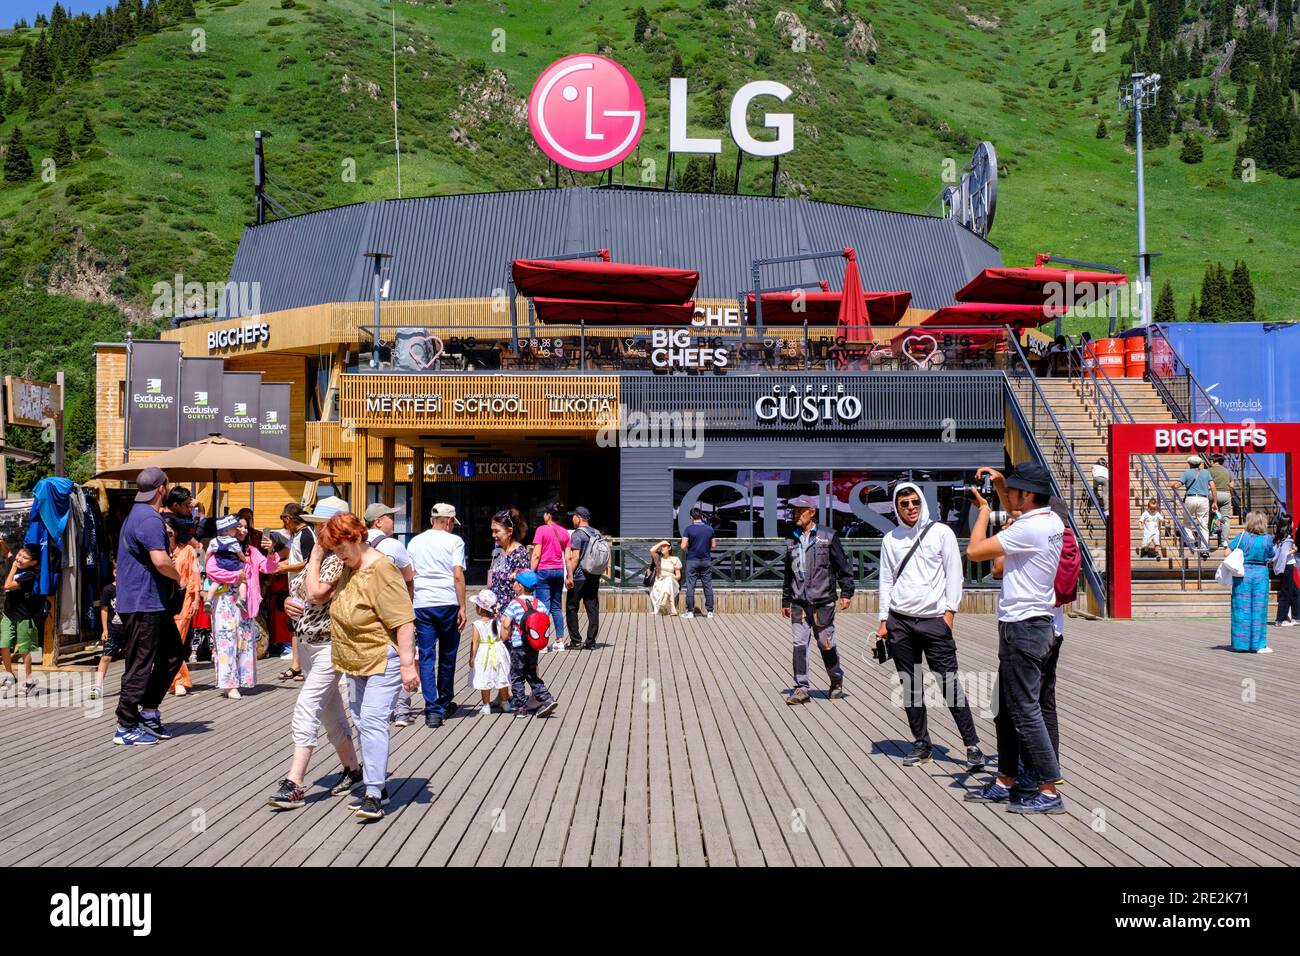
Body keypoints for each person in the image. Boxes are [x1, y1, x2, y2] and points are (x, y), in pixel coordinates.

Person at [964, 463, 1065, 814]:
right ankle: (1007, 779)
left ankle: (1049, 789)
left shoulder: (1029, 528)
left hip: (1022, 627)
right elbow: (1018, 511)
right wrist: (1004, 482)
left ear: (1029, 495)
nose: (1013, 496)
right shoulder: (1051, 520)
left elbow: (975, 552)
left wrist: (983, 511)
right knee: (1007, 710)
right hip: (1039, 625)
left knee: (1023, 710)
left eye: (1017, 491)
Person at [266, 500, 365, 811]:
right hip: (309, 640)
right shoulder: (321, 555)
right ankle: (353, 769)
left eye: (320, 525)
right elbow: (301, 596)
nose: (316, 530)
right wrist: (288, 604)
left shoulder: (340, 558)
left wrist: (317, 555)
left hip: (330, 643)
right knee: (329, 710)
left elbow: (316, 593)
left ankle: (294, 781)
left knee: (307, 707)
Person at [877, 482, 984, 770]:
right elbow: (885, 580)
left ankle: (972, 744)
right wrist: (883, 619)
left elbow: (954, 575)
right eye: (904, 504)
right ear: (897, 508)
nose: (910, 507)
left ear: (922, 502)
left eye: (914, 502)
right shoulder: (891, 539)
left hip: (934, 621)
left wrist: (949, 614)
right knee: (910, 686)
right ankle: (921, 743)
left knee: (948, 684)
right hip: (900, 621)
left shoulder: (941, 533)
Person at [318, 512, 418, 821]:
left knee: (373, 721)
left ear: (357, 538)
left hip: (380, 657)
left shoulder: (381, 569)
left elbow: (404, 620)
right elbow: (320, 595)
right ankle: (379, 786)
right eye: (333, 550)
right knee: (362, 720)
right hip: (355, 658)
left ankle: (374, 791)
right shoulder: (352, 565)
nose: (338, 555)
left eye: (340, 549)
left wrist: (407, 665)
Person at [112, 466, 185, 745]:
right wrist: (179, 579)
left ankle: (149, 711)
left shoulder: (138, 515)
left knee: (171, 655)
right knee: (140, 663)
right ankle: (125, 724)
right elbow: (160, 561)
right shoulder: (149, 519)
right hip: (143, 602)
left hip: (148, 601)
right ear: (162, 489)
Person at [780, 495, 853, 705]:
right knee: (799, 644)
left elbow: (843, 567)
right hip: (799, 602)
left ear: (811, 512)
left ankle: (836, 679)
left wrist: (847, 592)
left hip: (823, 602)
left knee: (826, 643)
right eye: (793, 511)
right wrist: (786, 600)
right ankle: (801, 687)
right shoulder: (791, 538)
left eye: (799, 511)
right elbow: (788, 573)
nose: (795, 515)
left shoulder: (828, 536)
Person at [406, 502, 467, 729]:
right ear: (449, 521)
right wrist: (462, 606)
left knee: (427, 657)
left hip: (422, 604)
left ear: (432, 519)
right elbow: (458, 575)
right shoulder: (455, 541)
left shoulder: (415, 542)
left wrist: (410, 606)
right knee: (448, 655)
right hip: (448, 602)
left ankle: (432, 711)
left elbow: (410, 576)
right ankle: (444, 701)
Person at [206, 515, 278, 699]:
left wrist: (271, 552)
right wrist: (236, 577)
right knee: (225, 641)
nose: (242, 530)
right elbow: (211, 570)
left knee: (244, 641)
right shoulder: (219, 547)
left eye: (245, 527)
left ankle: (242, 680)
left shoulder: (250, 551)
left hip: (245, 602)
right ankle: (229, 685)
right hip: (223, 601)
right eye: (239, 527)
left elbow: (268, 568)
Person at [501, 570, 558, 718]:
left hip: (518, 646)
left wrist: (502, 636)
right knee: (531, 674)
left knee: (517, 675)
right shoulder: (538, 603)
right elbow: (545, 618)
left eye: (516, 582)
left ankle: (520, 707)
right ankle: (547, 698)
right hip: (533, 646)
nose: (513, 584)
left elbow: (506, 623)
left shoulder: (514, 604)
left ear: (521, 586)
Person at [270, 503, 316, 673]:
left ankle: (302, 666)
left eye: (283, 520)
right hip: (296, 587)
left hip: (303, 588)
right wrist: (281, 564)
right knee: (295, 627)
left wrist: (284, 568)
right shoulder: (299, 534)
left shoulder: (306, 535)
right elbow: (296, 558)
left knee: (300, 626)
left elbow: (307, 563)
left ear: (288, 518)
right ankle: (296, 665)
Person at [1225, 512, 1276, 654]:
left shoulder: (1241, 537)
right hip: (1260, 574)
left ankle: (1241, 643)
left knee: (1241, 608)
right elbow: (1272, 555)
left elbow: (1227, 552)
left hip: (1243, 574)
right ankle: (1259, 645)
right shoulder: (1267, 539)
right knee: (1259, 609)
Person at [2, 544, 46, 698]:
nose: (19, 559)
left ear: (33, 562)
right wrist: (1, 542)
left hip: (23, 616)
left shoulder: (30, 575)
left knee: (24, 650)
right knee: (3, 644)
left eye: (25, 558)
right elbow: (7, 553)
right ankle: (9, 674)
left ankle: (29, 680)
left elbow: (7, 586)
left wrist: (13, 567)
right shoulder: (16, 559)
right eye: (19, 555)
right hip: (8, 613)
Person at [168, 516, 202, 697]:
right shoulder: (160, 550)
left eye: (169, 530)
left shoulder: (188, 550)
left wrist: (196, 598)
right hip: (162, 600)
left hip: (184, 599)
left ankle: (179, 680)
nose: (166, 533)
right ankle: (171, 679)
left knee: (177, 641)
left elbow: (195, 574)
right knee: (165, 643)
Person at [529, 502, 570, 651]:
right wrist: (569, 575)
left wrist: (530, 572)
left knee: (543, 607)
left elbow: (536, 554)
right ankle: (559, 641)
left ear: (548, 515)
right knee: (556, 607)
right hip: (559, 571)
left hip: (543, 571)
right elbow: (568, 557)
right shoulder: (565, 532)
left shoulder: (541, 530)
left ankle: (543, 642)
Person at [468, 589, 511, 716]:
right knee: (501, 676)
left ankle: (486, 705)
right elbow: (503, 637)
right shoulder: (498, 621)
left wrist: (472, 657)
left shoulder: (477, 624)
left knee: (484, 677)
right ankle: (505, 702)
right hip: (498, 650)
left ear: (480, 609)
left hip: (483, 652)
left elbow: (474, 641)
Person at [564, 505, 601, 649]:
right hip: (593, 575)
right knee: (592, 607)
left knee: (572, 607)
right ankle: (591, 642)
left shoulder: (577, 534)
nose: (572, 518)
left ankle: (576, 641)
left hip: (579, 576)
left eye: (573, 516)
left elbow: (575, 557)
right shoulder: (596, 533)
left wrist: (569, 575)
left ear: (578, 518)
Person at [1170, 455, 1215, 556]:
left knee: (1186, 521)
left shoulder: (1187, 473)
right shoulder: (1206, 472)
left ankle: (1191, 541)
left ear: (1189, 464)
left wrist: (1172, 484)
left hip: (1190, 499)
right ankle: (1204, 548)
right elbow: (1212, 486)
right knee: (1203, 525)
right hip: (1203, 499)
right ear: (1200, 464)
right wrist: (1215, 501)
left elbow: (1177, 485)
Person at [89, 562, 122, 700]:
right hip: (113, 629)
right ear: (115, 573)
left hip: (130, 629)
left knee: (134, 659)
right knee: (106, 657)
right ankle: (97, 686)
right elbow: (104, 610)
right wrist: (104, 629)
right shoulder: (108, 589)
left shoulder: (132, 588)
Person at [679, 507, 716, 619]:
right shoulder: (710, 529)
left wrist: (689, 550)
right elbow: (713, 546)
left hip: (692, 560)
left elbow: (683, 546)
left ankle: (690, 612)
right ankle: (710, 611)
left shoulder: (688, 529)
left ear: (691, 517)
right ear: (701, 516)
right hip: (706, 560)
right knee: (708, 585)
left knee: (691, 586)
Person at [1273, 516, 1298, 627]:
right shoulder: (1287, 539)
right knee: (1286, 593)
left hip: (1285, 567)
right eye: (1291, 522)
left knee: (1295, 592)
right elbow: (1283, 554)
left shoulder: (1279, 538)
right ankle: (1280, 619)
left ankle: (1296, 617)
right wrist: (1294, 550)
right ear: (1288, 524)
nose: (1293, 523)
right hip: (1287, 567)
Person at [1208, 454, 1235, 548]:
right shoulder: (1227, 471)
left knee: (1209, 515)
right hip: (1226, 495)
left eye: (1210, 461)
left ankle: (1208, 536)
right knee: (1225, 519)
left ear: (1215, 461)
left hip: (1212, 494)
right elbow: (1232, 484)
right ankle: (1224, 541)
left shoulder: (1209, 471)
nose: (1209, 462)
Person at [648, 540, 681, 615]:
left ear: (669, 548)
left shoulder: (675, 559)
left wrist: (669, 575)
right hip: (660, 581)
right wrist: (662, 542)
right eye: (661, 547)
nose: (662, 548)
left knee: (668, 579)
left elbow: (678, 576)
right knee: (667, 581)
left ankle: (664, 599)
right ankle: (672, 607)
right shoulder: (658, 558)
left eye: (664, 546)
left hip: (672, 582)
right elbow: (651, 550)